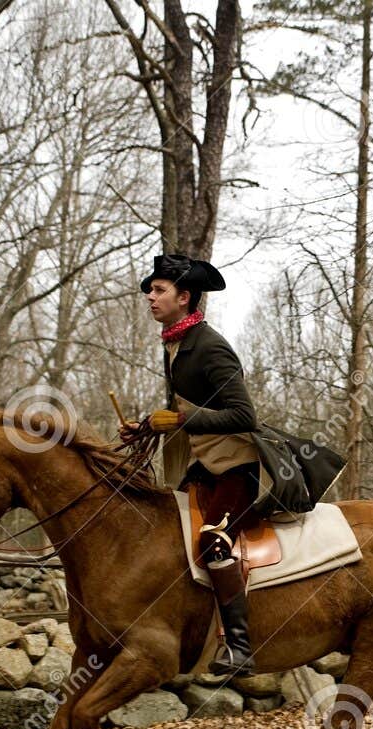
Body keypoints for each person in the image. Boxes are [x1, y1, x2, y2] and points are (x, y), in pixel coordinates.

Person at [125, 253, 263, 677]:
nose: (150, 296)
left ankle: (240, 647)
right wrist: (150, 425)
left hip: (238, 467)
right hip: (205, 463)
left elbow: (245, 416)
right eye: (150, 289)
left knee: (213, 543)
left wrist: (182, 420)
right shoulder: (175, 343)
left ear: (184, 297)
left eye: (159, 290)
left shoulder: (211, 346)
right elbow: (191, 410)